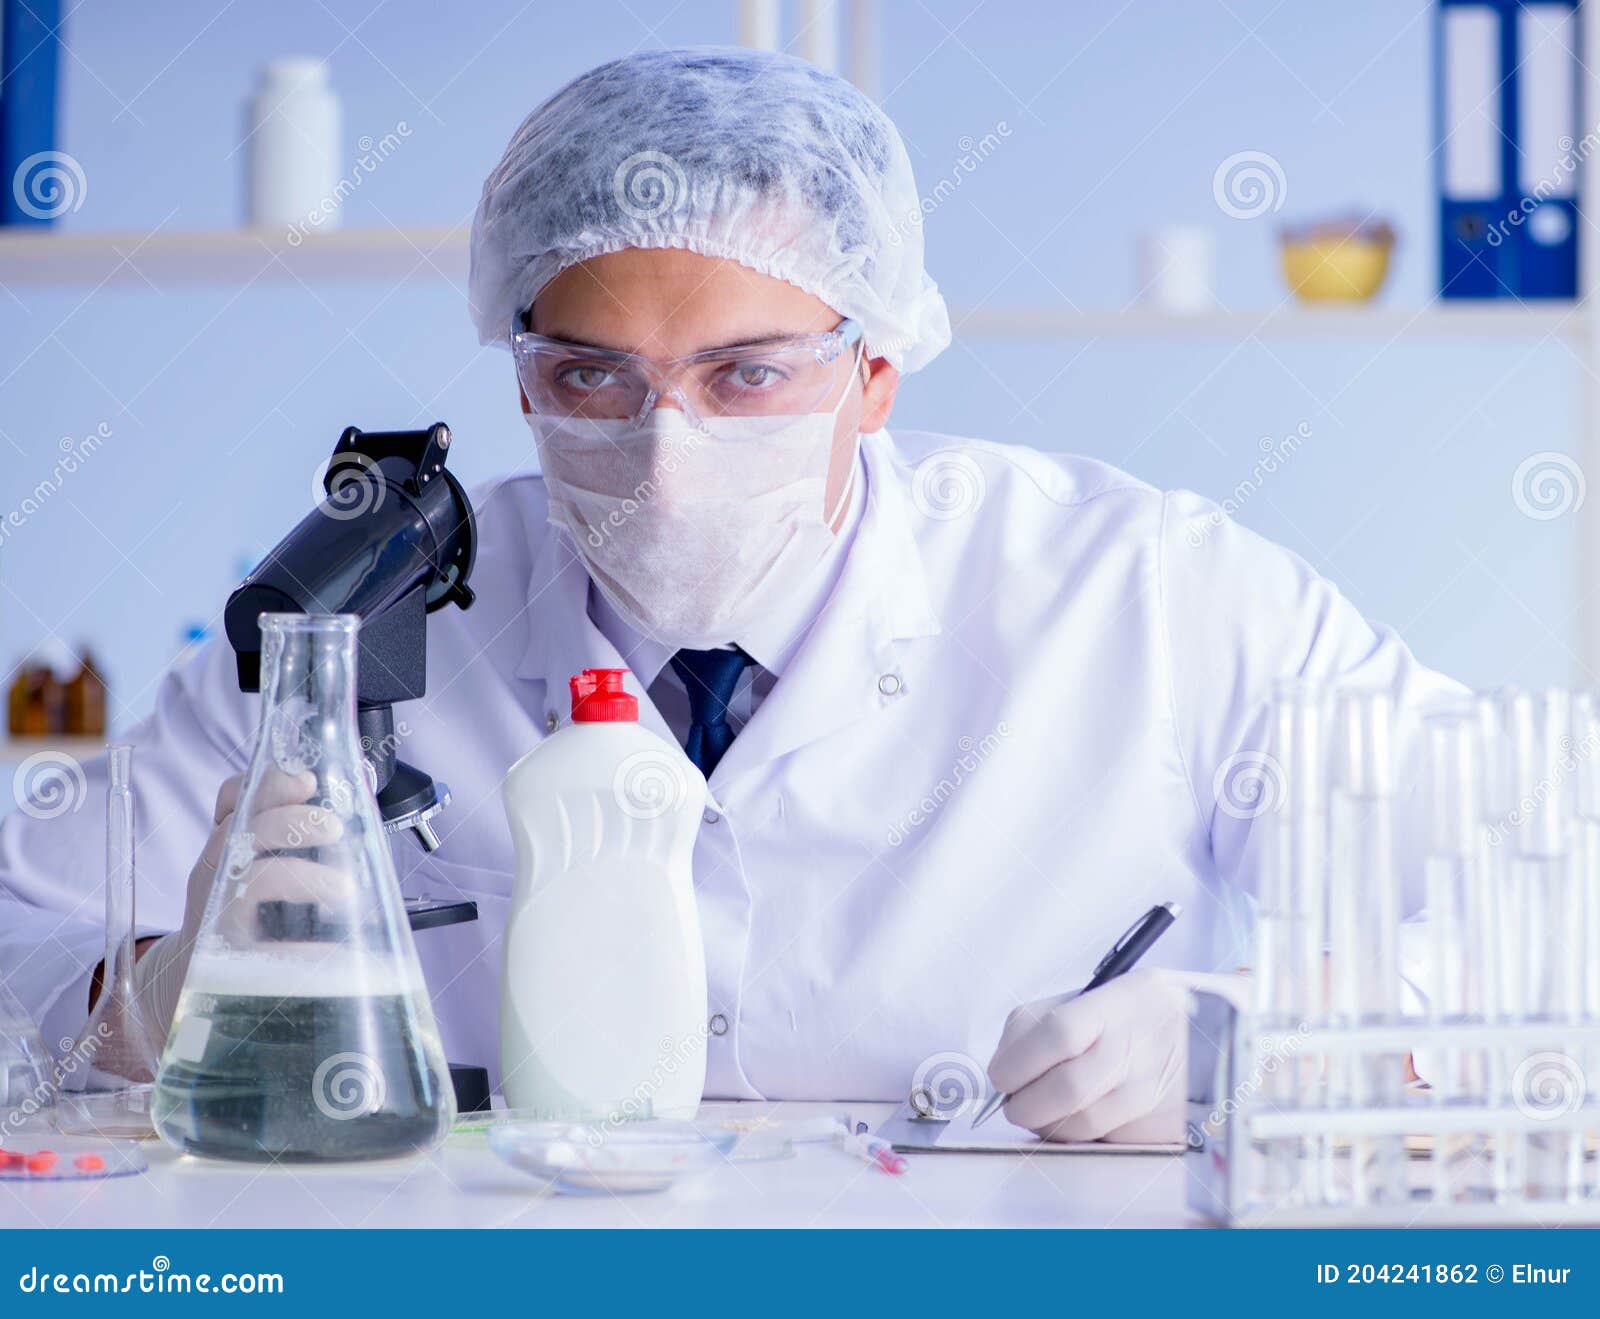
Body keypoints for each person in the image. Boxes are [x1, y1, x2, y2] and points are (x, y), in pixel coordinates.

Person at [0, 46, 1459, 1143]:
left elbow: (1537, 892)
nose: (666, 452)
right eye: (591, 378)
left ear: (874, 373)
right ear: (518, 371)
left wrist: (1243, 1036)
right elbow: (20, 929)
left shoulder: (1146, 593)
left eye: (747, 375)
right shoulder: (361, 621)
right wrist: (142, 996)